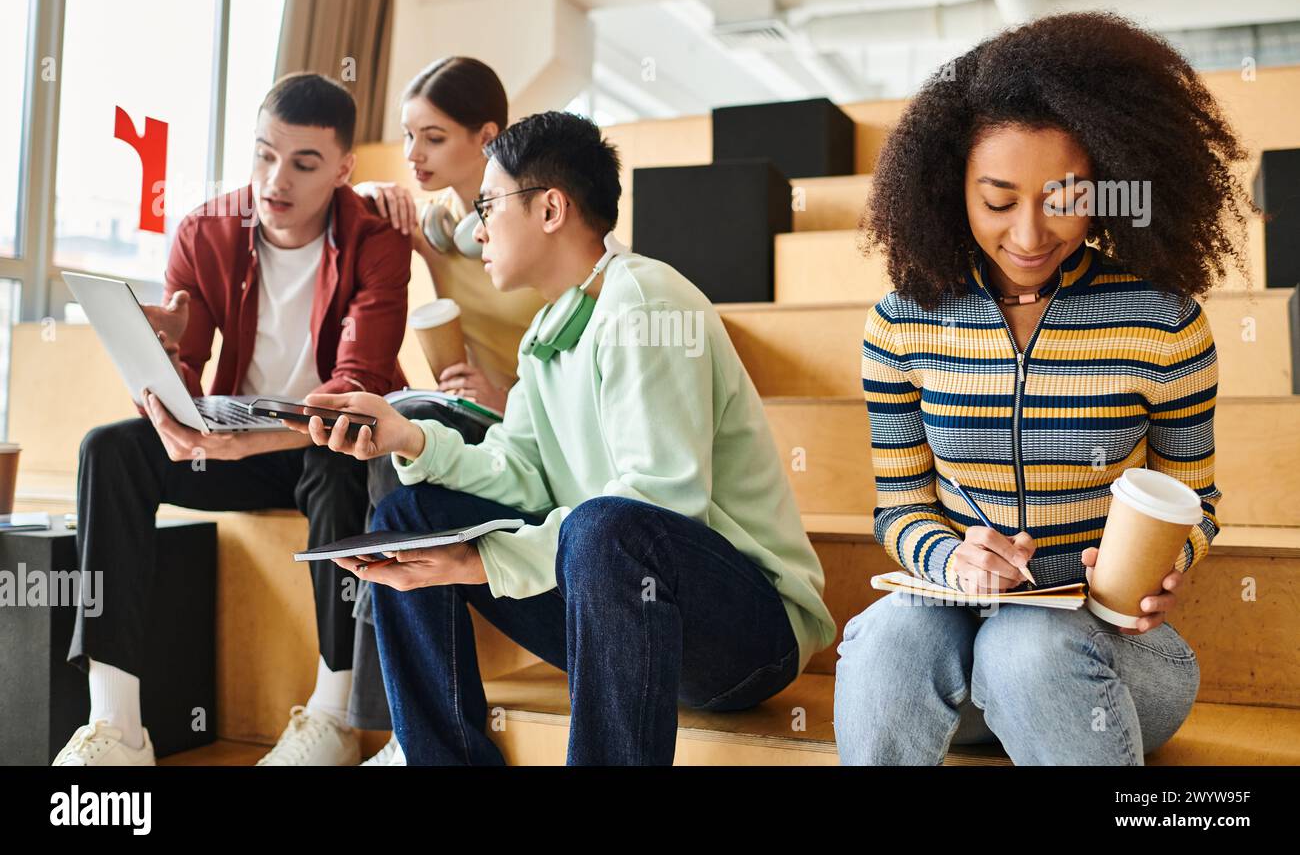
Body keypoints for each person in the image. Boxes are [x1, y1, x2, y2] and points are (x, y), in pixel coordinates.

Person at [284, 110, 837, 765]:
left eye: (488, 205)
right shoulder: (548, 331)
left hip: (744, 639)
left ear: (550, 209)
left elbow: (662, 506)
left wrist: (484, 561)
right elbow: (518, 472)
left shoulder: (647, 304)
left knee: (603, 528)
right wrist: (408, 439)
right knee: (409, 518)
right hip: (620, 608)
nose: (477, 229)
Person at [834, 11, 1256, 765]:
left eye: (1065, 199)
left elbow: (1196, 501)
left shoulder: (1163, 322)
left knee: (1026, 643)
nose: (1030, 236)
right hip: (954, 670)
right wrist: (954, 562)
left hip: (1108, 665)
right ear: (951, 188)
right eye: (998, 202)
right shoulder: (901, 323)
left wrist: (1168, 562)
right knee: (892, 634)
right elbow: (900, 508)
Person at [54, 73, 411, 766]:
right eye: (264, 154)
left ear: (343, 169)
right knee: (108, 450)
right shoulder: (207, 231)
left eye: (304, 163)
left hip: (328, 446)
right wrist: (165, 362)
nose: (276, 180)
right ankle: (117, 725)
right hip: (231, 445)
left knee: (338, 460)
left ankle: (332, 714)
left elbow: (357, 386)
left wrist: (248, 444)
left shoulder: (375, 241)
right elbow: (180, 383)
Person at [343, 57, 545, 765]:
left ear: (486, 137)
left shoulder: (539, 232)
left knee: (398, 442)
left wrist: (509, 397)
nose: (413, 154)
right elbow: (353, 208)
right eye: (407, 137)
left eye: (433, 138)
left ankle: (407, 726)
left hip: (531, 425)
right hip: (468, 416)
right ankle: (408, 726)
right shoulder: (437, 226)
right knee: (385, 433)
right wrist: (370, 190)